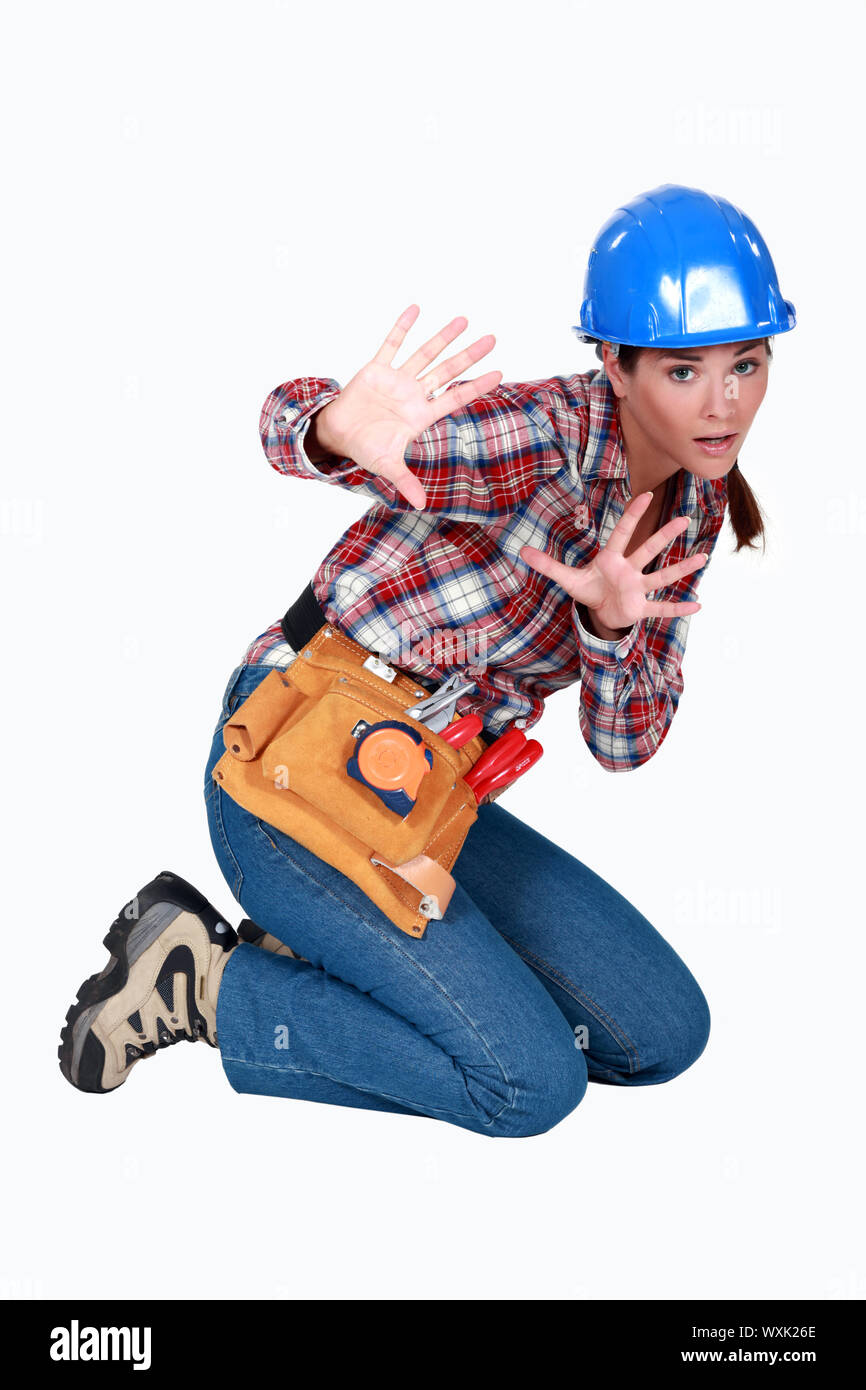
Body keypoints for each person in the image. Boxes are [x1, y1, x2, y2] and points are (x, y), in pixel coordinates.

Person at [59, 184, 796, 1137]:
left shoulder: (692, 506)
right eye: (686, 372)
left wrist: (612, 631)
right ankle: (205, 984)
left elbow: (625, 744)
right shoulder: (537, 439)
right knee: (529, 1087)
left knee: (661, 1030)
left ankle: (338, 944)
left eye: (747, 365)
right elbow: (295, 428)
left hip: (427, 789)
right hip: (296, 759)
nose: (725, 404)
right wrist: (334, 428)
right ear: (616, 363)